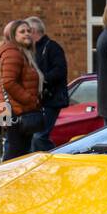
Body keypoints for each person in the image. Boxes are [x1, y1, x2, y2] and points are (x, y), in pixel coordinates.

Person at [0, 19, 43, 161]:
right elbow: (8, 82)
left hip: (17, 111)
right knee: (14, 155)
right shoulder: (13, 53)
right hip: (16, 112)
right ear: (13, 36)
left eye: (29, 31)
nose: (27, 34)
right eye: (22, 32)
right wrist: (29, 99)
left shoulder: (24, 53)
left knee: (18, 153)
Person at [26, 15, 69, 152]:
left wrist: (40, 80)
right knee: (35, 137)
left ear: (33, 31)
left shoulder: (52, 47)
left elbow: (60, 71)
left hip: (51, 99)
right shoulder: (32, 50)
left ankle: (56, 158)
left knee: (39, 136)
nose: (26, 35)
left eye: (27, 31)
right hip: (39, 100)